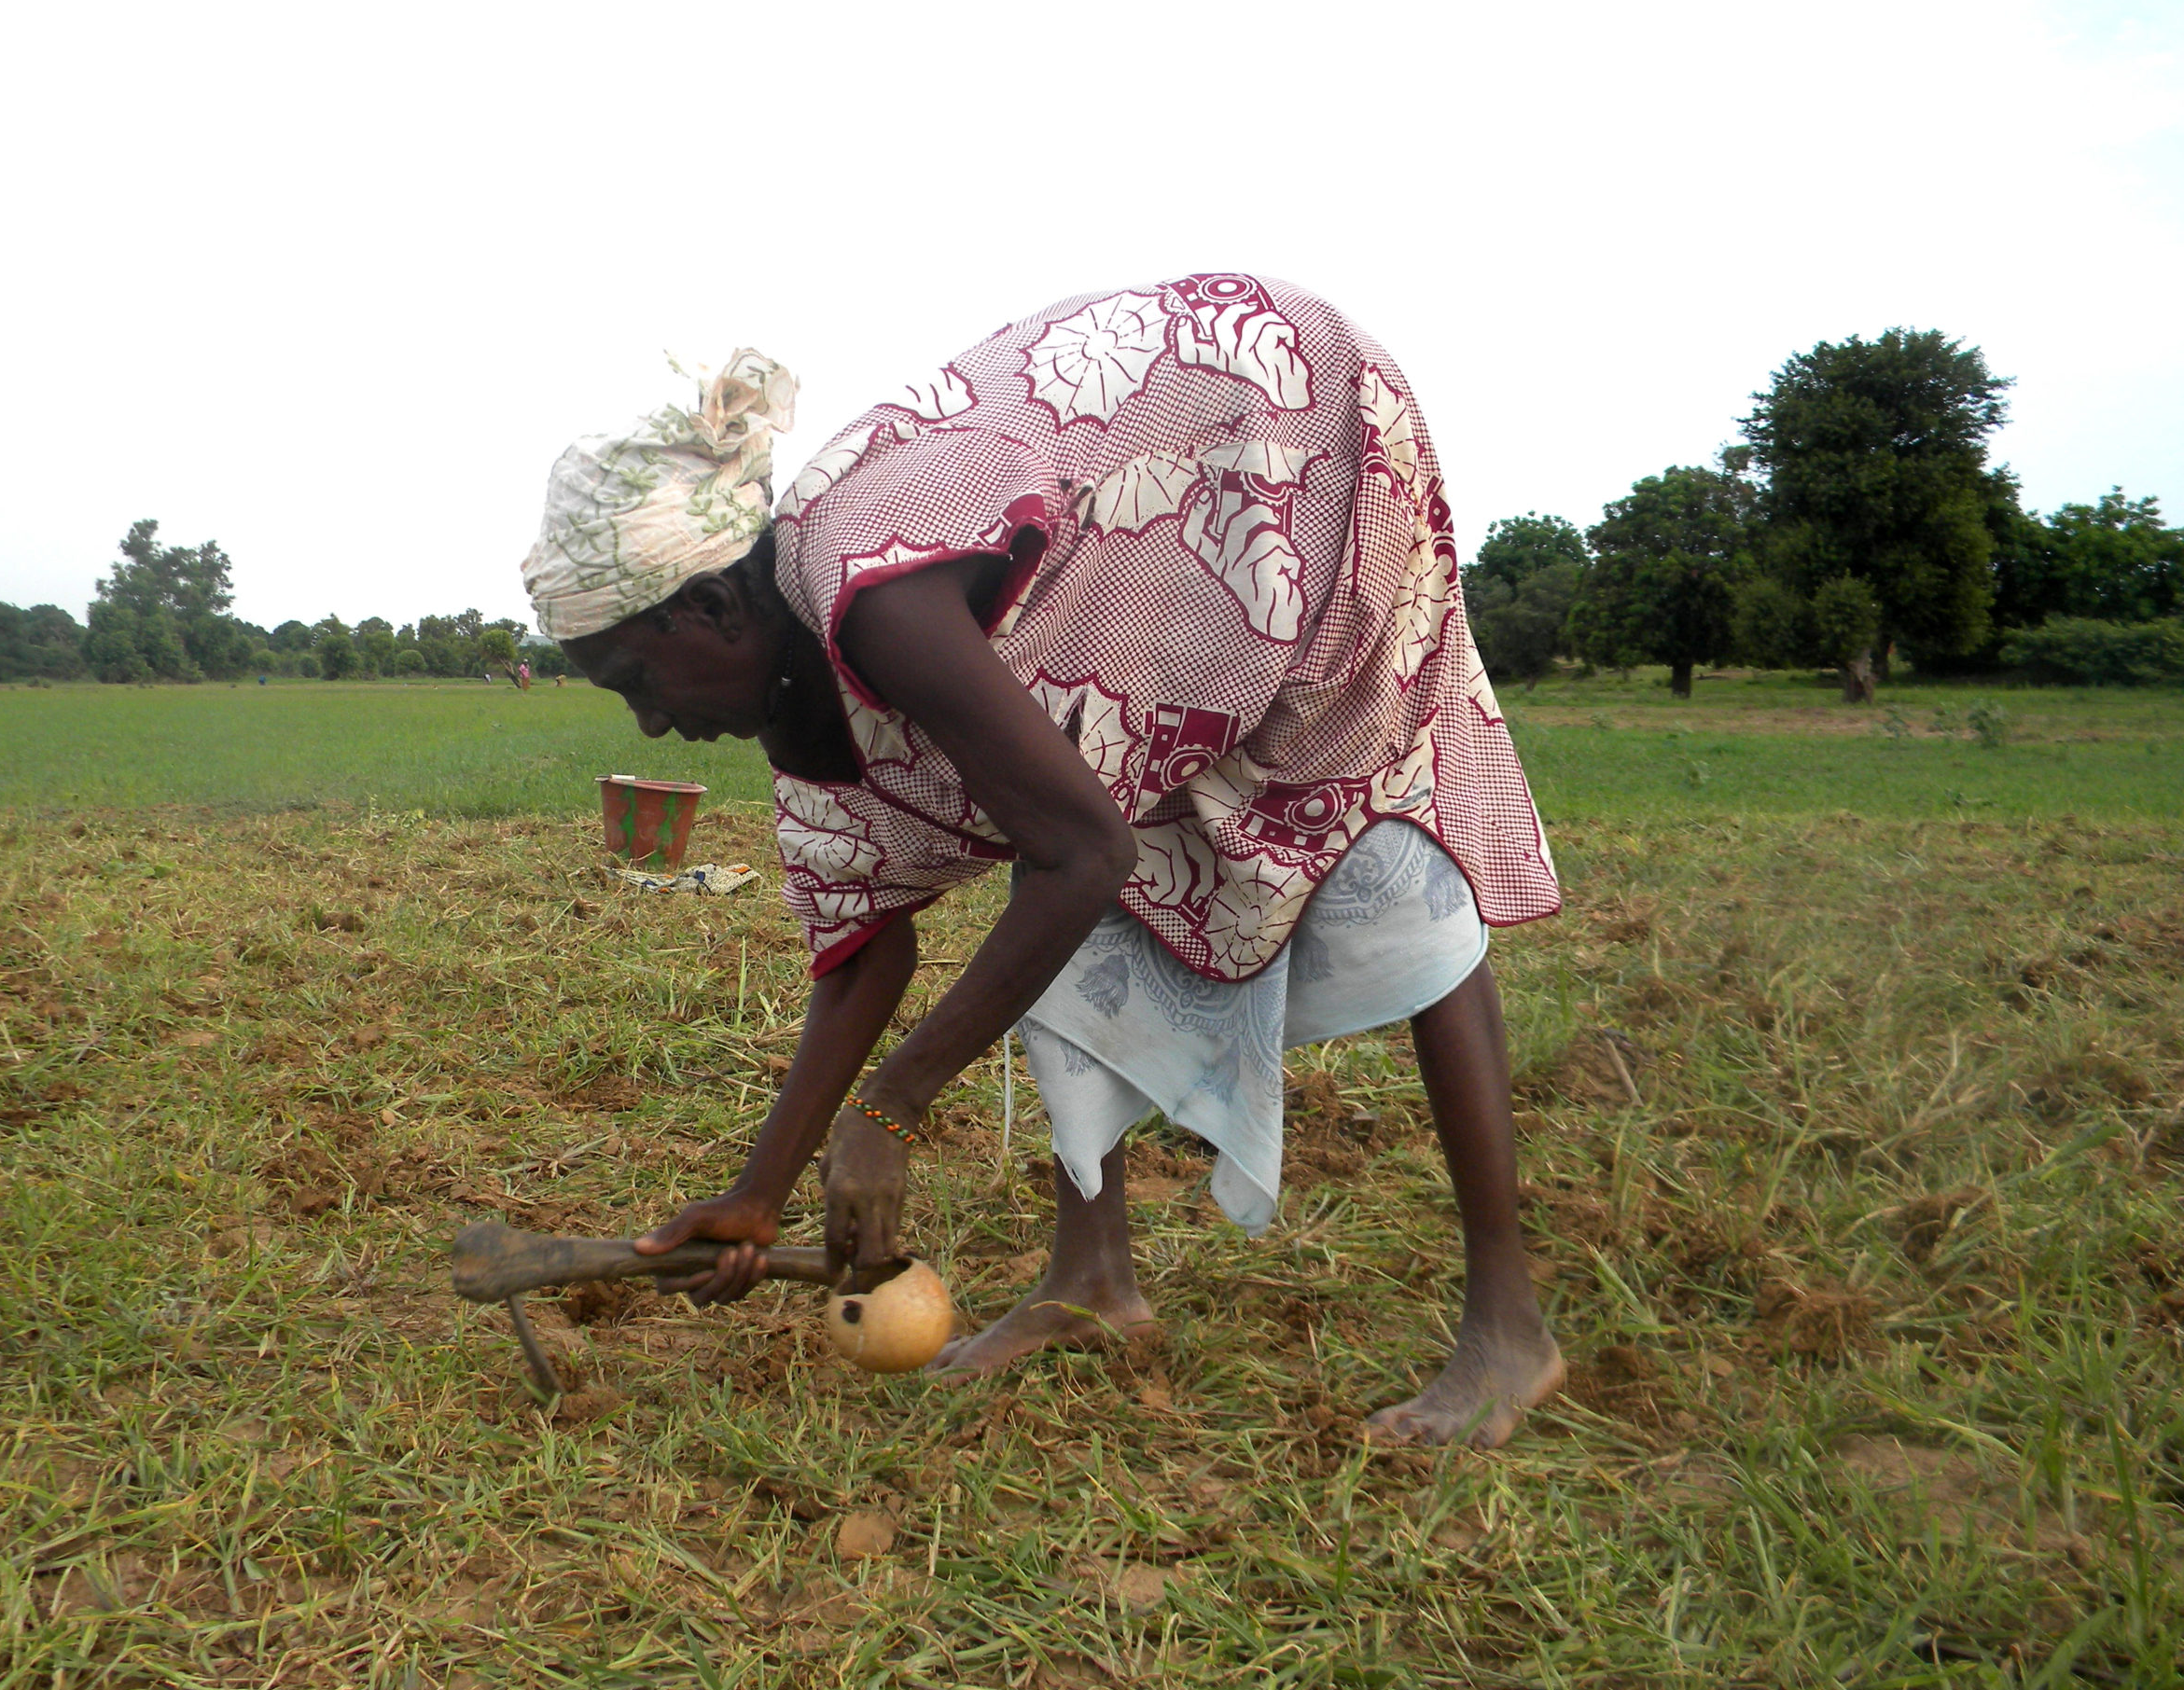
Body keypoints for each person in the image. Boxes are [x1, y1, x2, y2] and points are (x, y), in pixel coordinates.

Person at [522, 279, 1565, 1447]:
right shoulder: (797, 706)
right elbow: (862, 954)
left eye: (637, 683)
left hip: (1286, 438)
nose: (652, 728)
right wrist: (760, 1193)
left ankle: (1508, 1328)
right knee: (1075, 864)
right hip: (1146, 566)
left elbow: (1080, 850)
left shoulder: (877, 593)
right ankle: (1092, 1282)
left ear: (713, 605)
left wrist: (896, 1107)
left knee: (1376, 839)